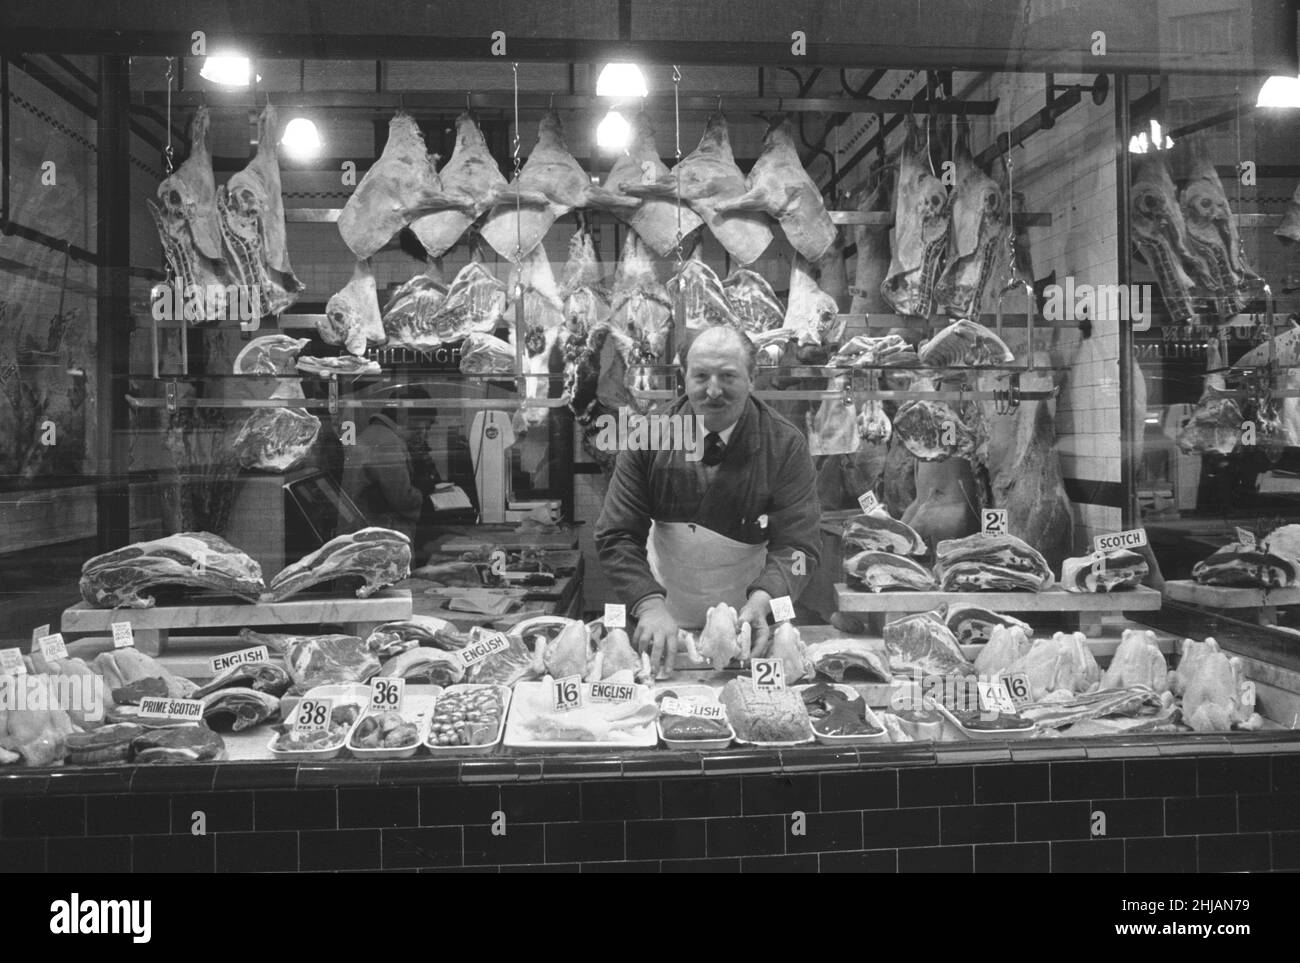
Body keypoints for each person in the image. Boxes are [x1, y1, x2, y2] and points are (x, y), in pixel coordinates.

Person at [595, 325, 822, 675]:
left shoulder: (785, 445)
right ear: (684, 378)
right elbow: (616, 536)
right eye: (701, 376)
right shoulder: (648, 436)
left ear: (752, 379)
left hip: (749, 623)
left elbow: (801, 552)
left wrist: (765, 600)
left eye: (728, 376)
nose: (713, 390)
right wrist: (648, 604)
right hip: (664, 614)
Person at [341, 386, 440, 544]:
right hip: (380, 537)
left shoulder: (376, 434)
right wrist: (423, 491)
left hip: (368, 532)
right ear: (408, 419)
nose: (423, 434)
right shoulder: (388, 442)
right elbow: (403, 499)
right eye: (424, 427)